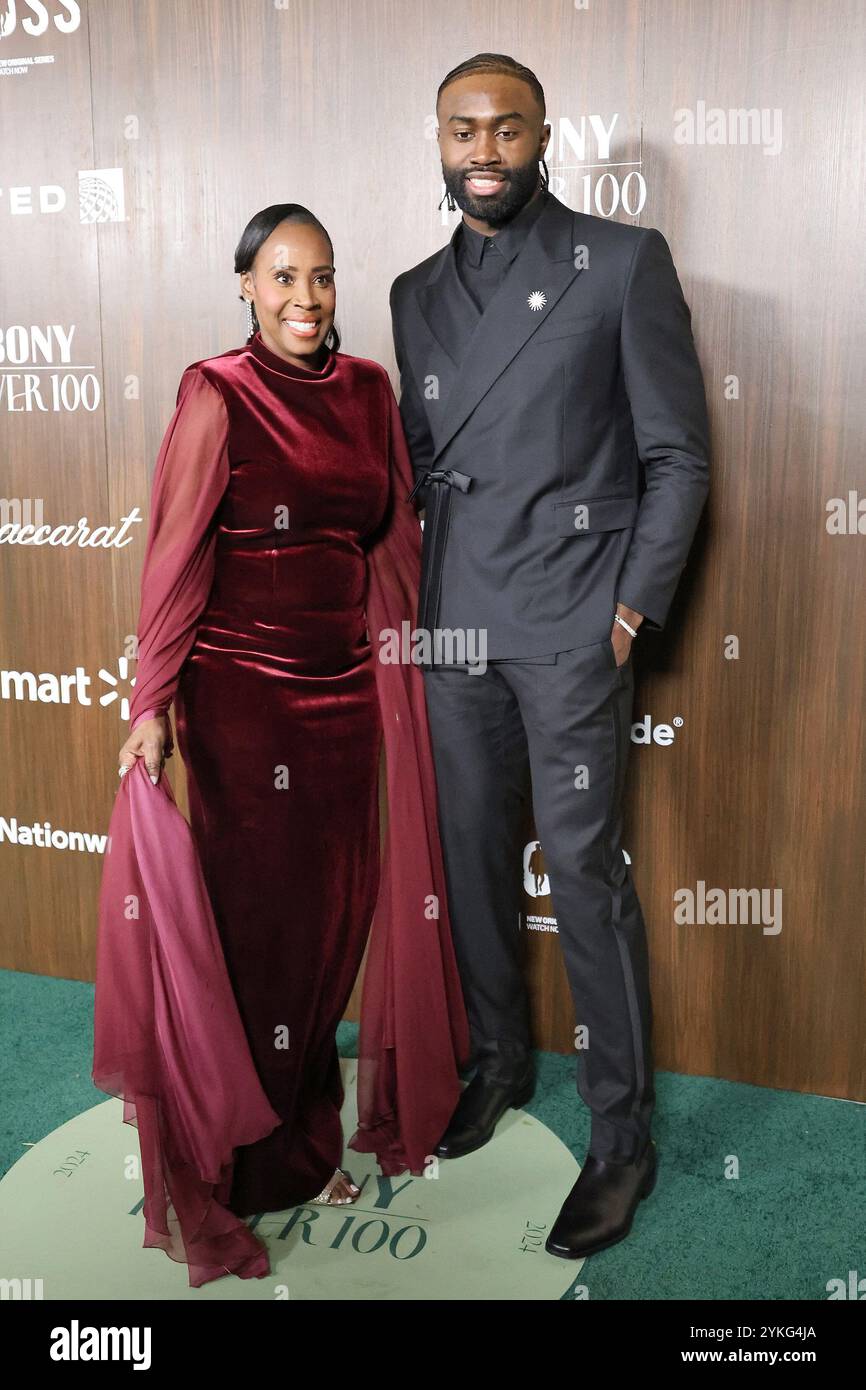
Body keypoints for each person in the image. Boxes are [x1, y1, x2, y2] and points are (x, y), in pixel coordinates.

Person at [92, 203, 469, 1287]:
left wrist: (414, 669)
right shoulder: (217, 391)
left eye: (322, 277)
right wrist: (149, 704)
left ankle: (305, 1145)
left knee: (327, 934)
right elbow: (173, 554)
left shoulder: (367, 394)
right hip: (242, 703)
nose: (306, 298)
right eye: (282, 277)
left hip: (348, 697)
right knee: (255, 942)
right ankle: (238, 1168)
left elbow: (394, 538)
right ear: (246, 288)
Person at [390, 54, 710, 1259]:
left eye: (505, 129)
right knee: (472, 861)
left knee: (582, 876)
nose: (484, 150)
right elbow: (427, 467)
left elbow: (676, 454)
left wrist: (627, 612)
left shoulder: (619, 262)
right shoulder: (410, 290)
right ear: (436, 139)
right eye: (462, 130)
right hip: (457, 624)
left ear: (541, 136)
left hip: (572, 622)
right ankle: (493, 1065)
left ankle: (619, 1137)